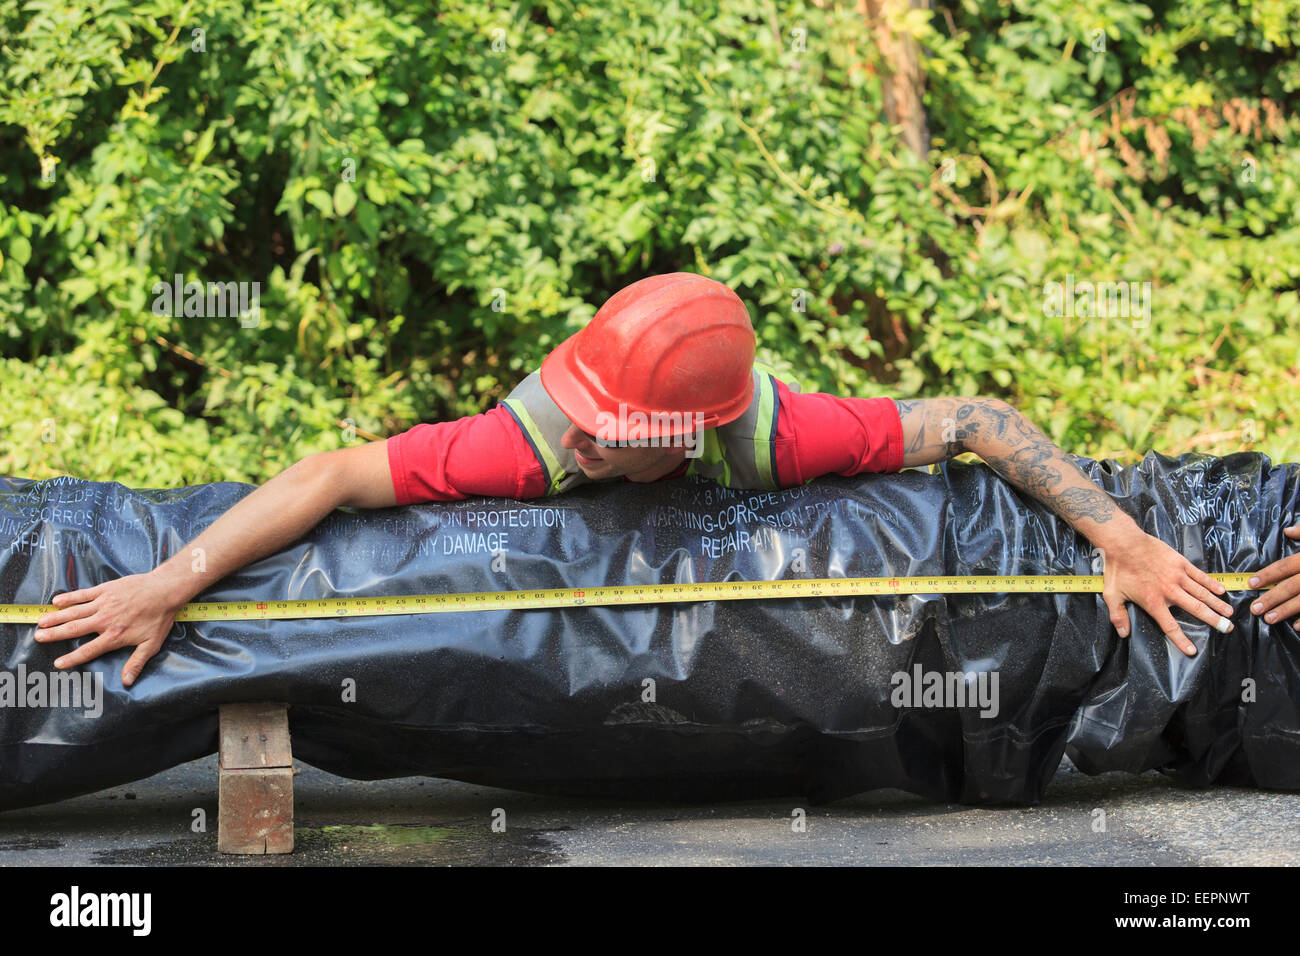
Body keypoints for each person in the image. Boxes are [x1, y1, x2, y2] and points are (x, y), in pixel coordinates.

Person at [34, 273, 1277, 687]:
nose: (577, 446)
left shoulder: (775, 436)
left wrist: (1122, 538)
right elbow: (334, 474)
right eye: (574, 421)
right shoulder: (530, 437)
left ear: (682, 437)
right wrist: (170, 579)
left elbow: (976, 419)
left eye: (605, 439)